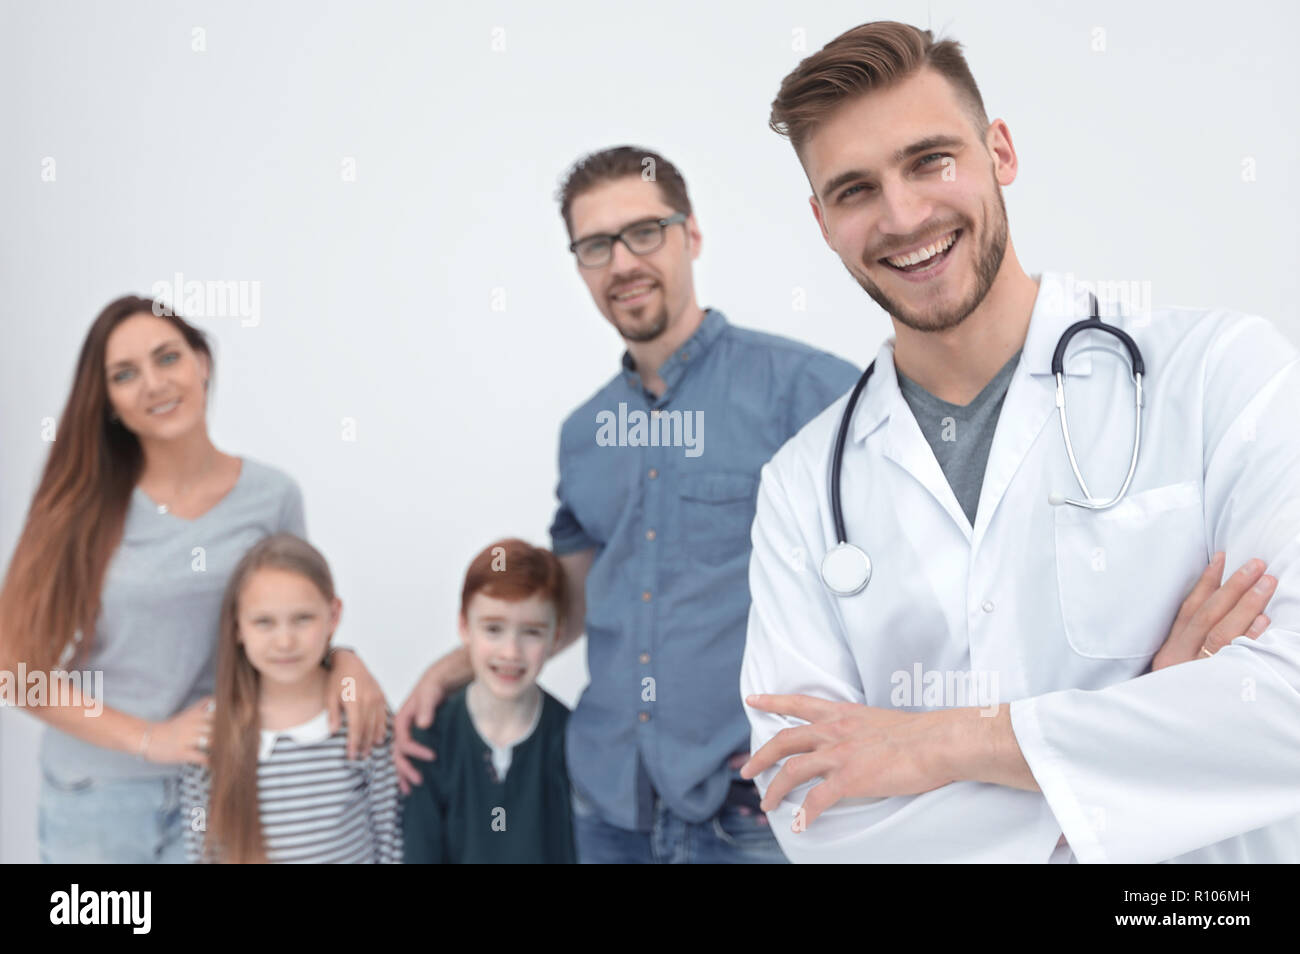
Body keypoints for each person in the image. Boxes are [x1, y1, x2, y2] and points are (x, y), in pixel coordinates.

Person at [739, 20, 1300, 864]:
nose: (904, 215)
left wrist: (939, 744)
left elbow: (1287, 713)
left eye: (930, 161)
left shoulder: (1220, 374)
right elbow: (810, 805)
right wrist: (1145, 735)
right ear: (823, 222)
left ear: (999, 151)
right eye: (855, 190)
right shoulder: (800, 489)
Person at [395, 146, 860, 863]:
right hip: (608, 809)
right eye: (596, 246)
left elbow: (897, 580)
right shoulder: (584, 434)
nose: (622, 263)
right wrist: (451, 668)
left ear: (691, 234)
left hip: (754, 810)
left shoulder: (810, 391)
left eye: (645, 232)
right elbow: (569, 606)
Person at [0, 295, 388, 863]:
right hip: (98, 797)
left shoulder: (272, 497)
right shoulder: (78, 506)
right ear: (107, 402)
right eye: (125, 374)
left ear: (202, 362)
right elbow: (14, 673)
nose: (154, 384)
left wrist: (344, 660)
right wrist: (148, 739)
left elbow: (296, 617)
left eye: (168, 357)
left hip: (223, 784)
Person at [180, 533, 400, 863]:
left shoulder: (360, 712)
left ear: (333, 615)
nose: (284, 641)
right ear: (238, 626)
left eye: (302, 619)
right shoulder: (209, 731)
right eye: (264, 622)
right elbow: (200, 845)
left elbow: (391, 834)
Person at [402, 539, 575, 863]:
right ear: (464, 627)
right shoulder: (430, 739)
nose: (511, 652)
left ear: (556, 636)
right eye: (493, 629)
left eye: (532, 632)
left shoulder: (572, 738)